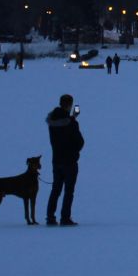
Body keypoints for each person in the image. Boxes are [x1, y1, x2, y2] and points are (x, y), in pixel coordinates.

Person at [45, 94, 85, 226]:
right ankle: (65, 218)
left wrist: (71, 118)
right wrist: (72, 120)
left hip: (56, 160)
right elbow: (79, 142)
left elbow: (61, 128)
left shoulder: (52, 122)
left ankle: (50, 217)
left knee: (55, 189)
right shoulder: (72, 123)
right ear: (69, 105)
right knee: (69, 191)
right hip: (69, 161)